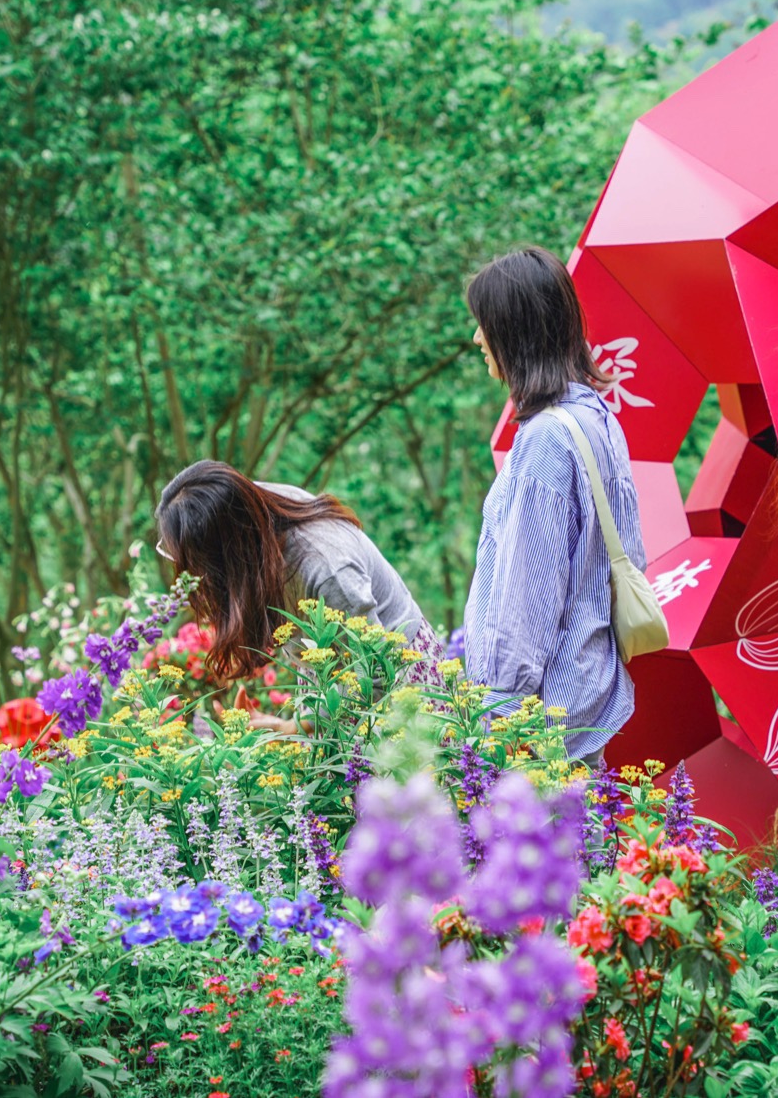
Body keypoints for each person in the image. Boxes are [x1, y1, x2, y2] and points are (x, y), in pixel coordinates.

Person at [462, 246, 649, 768]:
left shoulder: (545, 439)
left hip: (537, 724)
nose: (477, 339)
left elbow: (529, 595)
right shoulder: (596, 417)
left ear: (515, 333)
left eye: (485, 325)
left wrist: (499, 716)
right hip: (583, 694)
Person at [156, 461, 445, 733]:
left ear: (225, 557)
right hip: (337, 680)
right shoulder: (247, 514)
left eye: (193, 564)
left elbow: (374, 679)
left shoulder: (328, 570)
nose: (192, 577)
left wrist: (299, 726)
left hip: (398, 688)